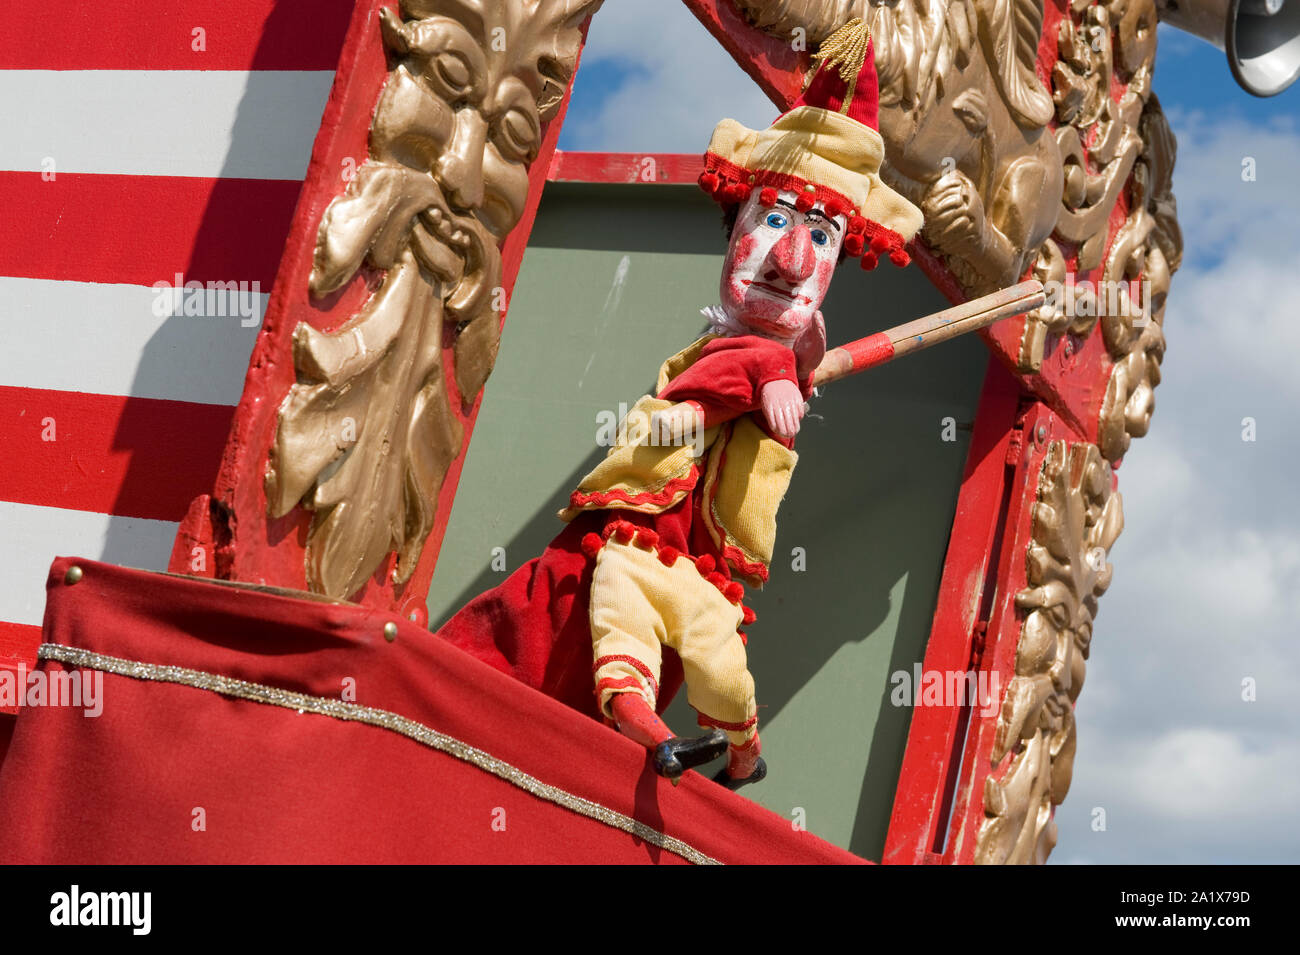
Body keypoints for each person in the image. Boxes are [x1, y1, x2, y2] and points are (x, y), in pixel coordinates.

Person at [435, 18, 924, 788]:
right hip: (624, 550)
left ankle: (740, 755)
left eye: (820, 236)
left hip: (699, 576)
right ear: (734, 224)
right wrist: (770, 374)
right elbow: (706, 387)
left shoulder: (788, 359)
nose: (793, 258)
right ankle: (652, 736)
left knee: (720, 668)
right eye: (773, 220)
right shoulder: (728, 356)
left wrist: (789, 368)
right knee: (582, 651)